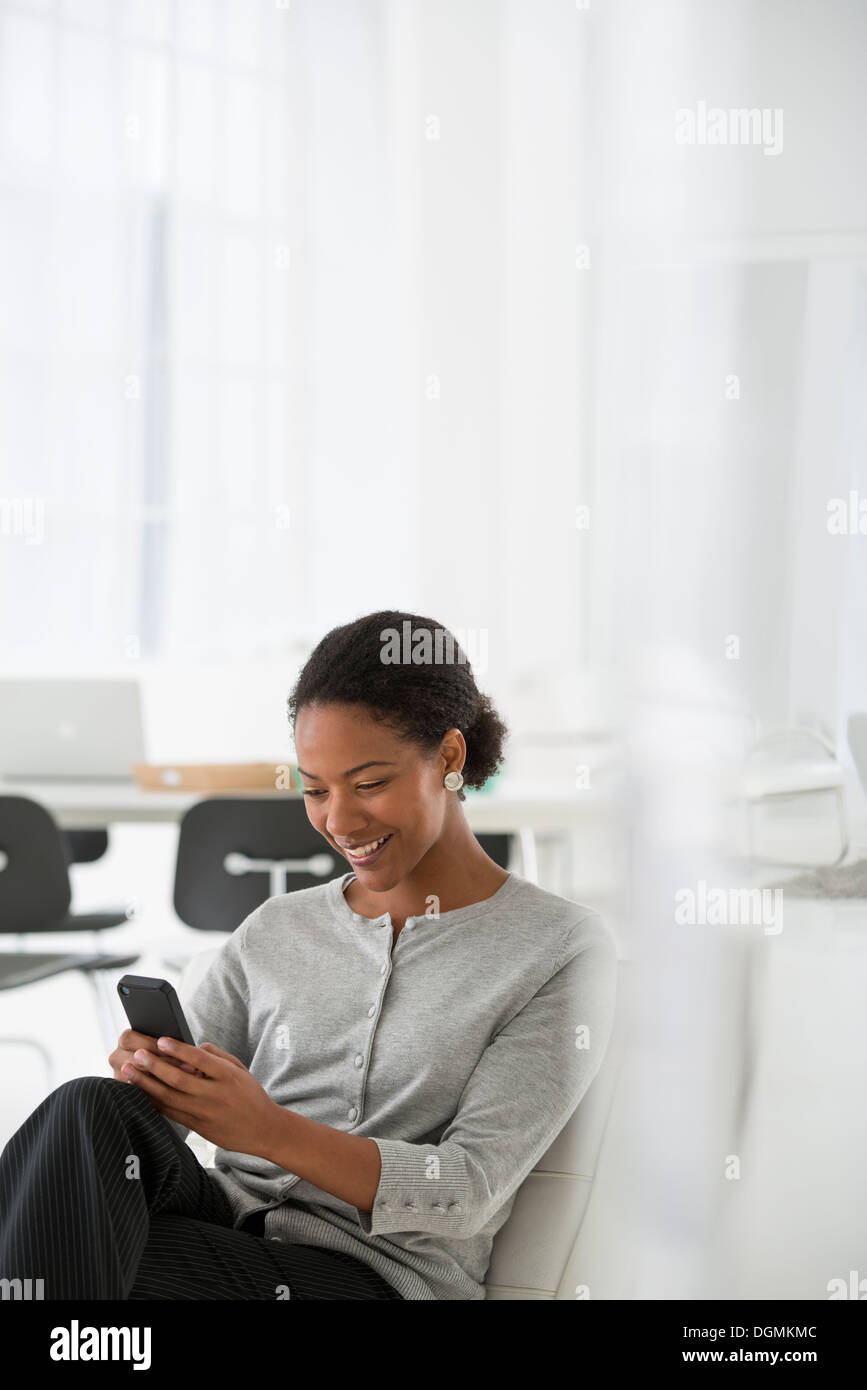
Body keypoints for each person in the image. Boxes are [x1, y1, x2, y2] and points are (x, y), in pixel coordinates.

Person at [0, 610, 618, 1300]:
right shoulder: (278, 928)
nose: (339, 823)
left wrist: (267, 1131)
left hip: (369, 1275)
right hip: (228, 1225)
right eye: (315, 790)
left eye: (368, 784)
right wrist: (162, 1080)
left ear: (448, 758)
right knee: (88, 1110)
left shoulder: (557, 948)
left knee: (59, 1257)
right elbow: (172, 1113)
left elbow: (467, 1189)